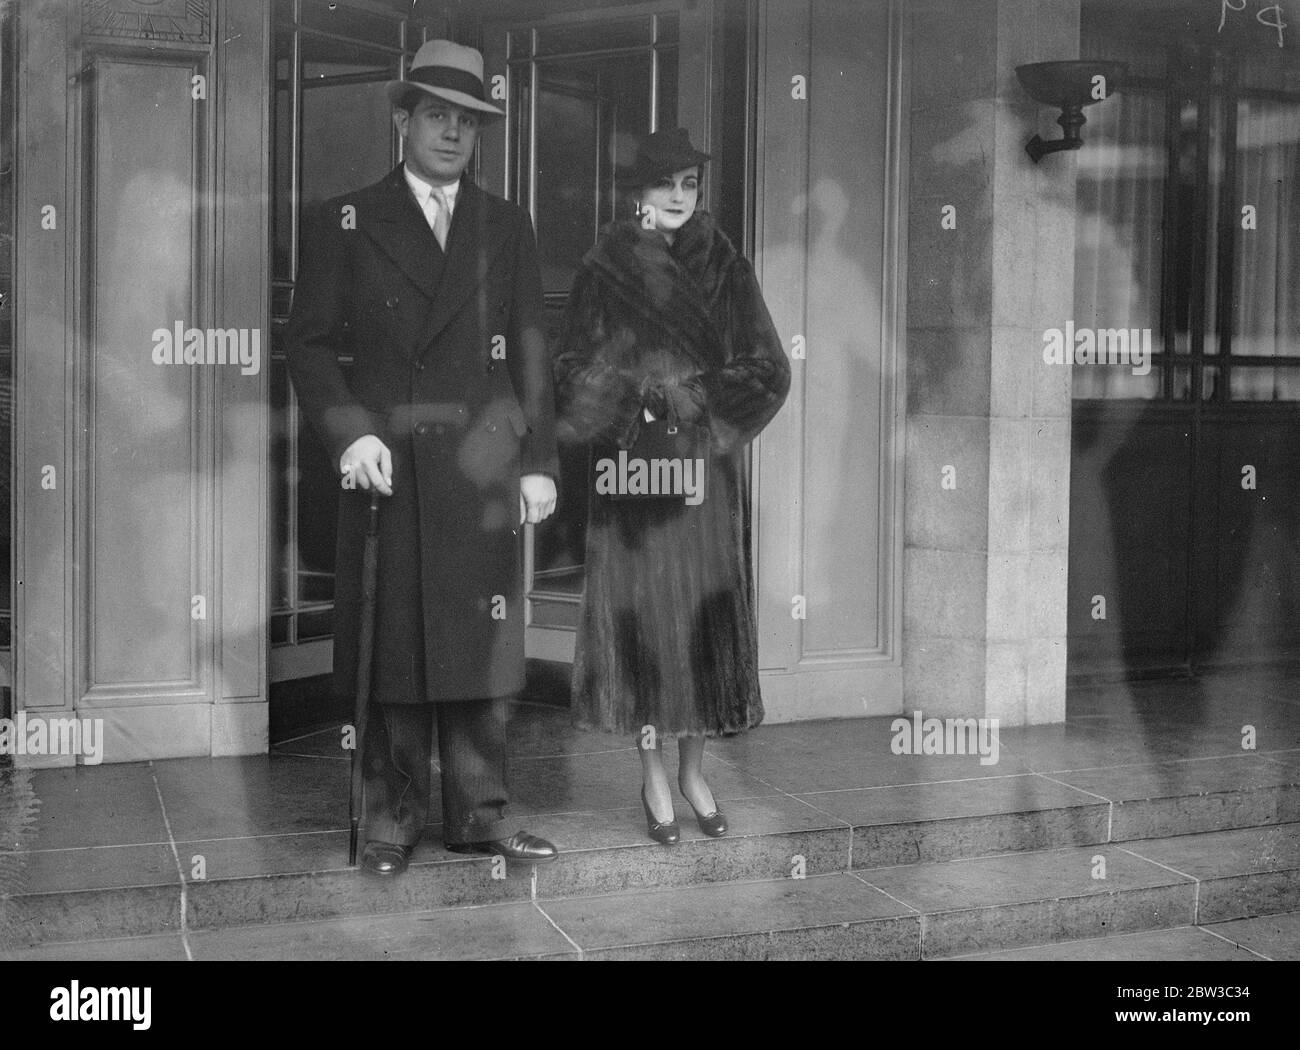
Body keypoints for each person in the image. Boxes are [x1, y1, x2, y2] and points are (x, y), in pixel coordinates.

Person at [285, 40, 560, 877]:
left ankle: (480, 815)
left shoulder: (505, 224)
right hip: (388, 468)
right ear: (402, 119)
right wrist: (350, 433)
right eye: (436, 115)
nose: (452, 134)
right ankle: (389, 822)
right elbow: (310, 345)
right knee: (394, 644)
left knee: (481, 644)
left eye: (468, 122)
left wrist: (541, 460)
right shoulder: (345, 218)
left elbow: (534, 357)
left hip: (479, 471)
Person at [553, 128, 790, 843]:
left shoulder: (725, 263)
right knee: (644, 624)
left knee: (701, 624)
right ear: (637, 194)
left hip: (703, 476)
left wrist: (693, 400)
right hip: (631, 477)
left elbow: (769, 369)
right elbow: (567, 368)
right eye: (665, 185)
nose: (679, 198)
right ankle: (654, 773)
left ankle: (695, 770)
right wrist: (633, 397)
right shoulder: (605, 267)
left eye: (689, 184)